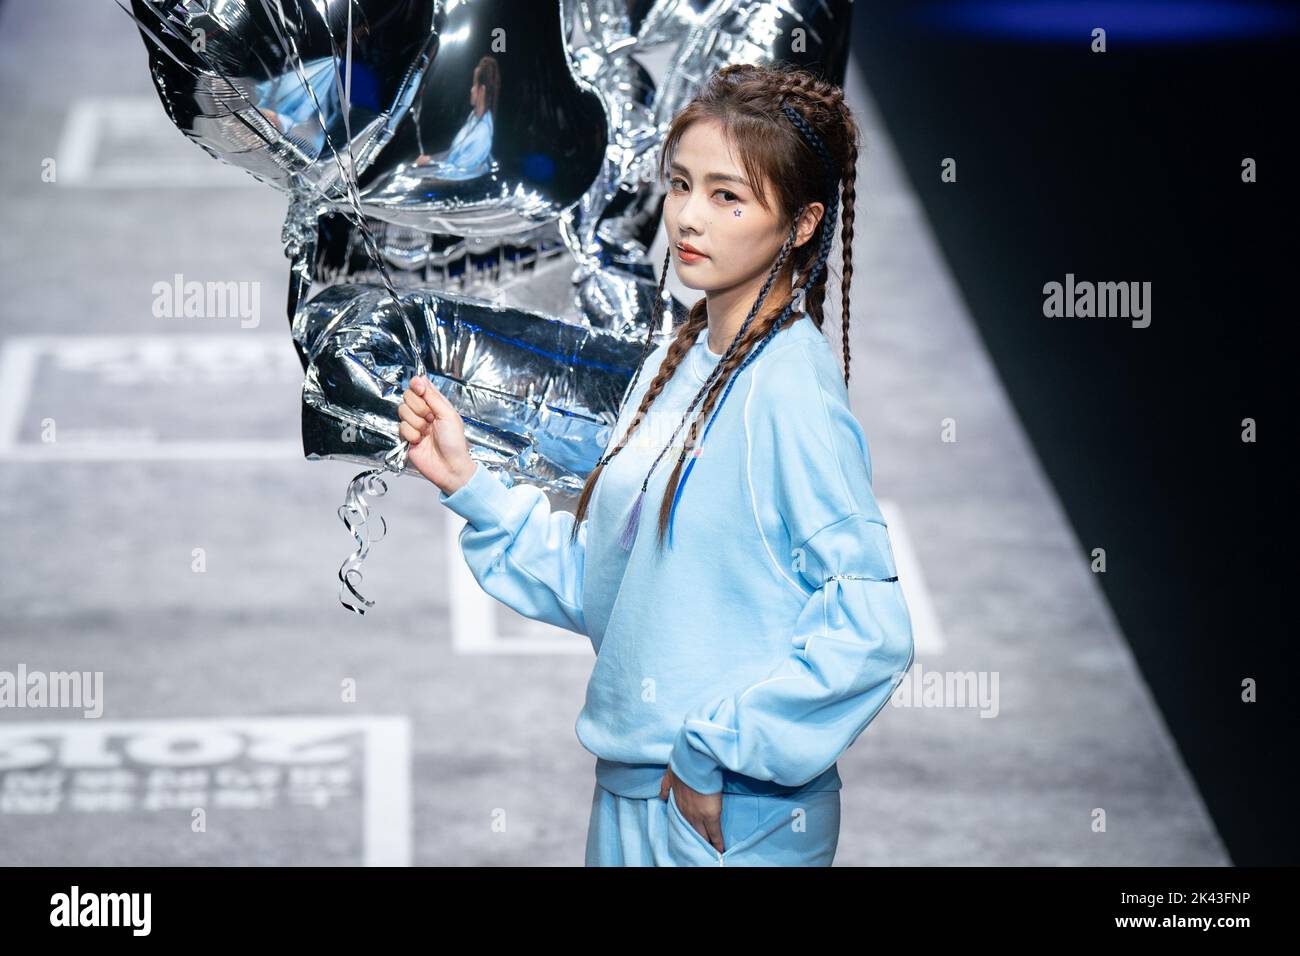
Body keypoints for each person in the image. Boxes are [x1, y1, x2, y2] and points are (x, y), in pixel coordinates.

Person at [397, 62, 915, 866]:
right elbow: (613, 588)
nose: (688, 219)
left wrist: (718, 751)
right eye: (680, 185)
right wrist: (470, 485)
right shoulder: (676, 364)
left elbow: (870, 631)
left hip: (728, 815)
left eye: (727, 196)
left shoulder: (791, 394)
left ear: (804, 223)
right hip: (638, 794)